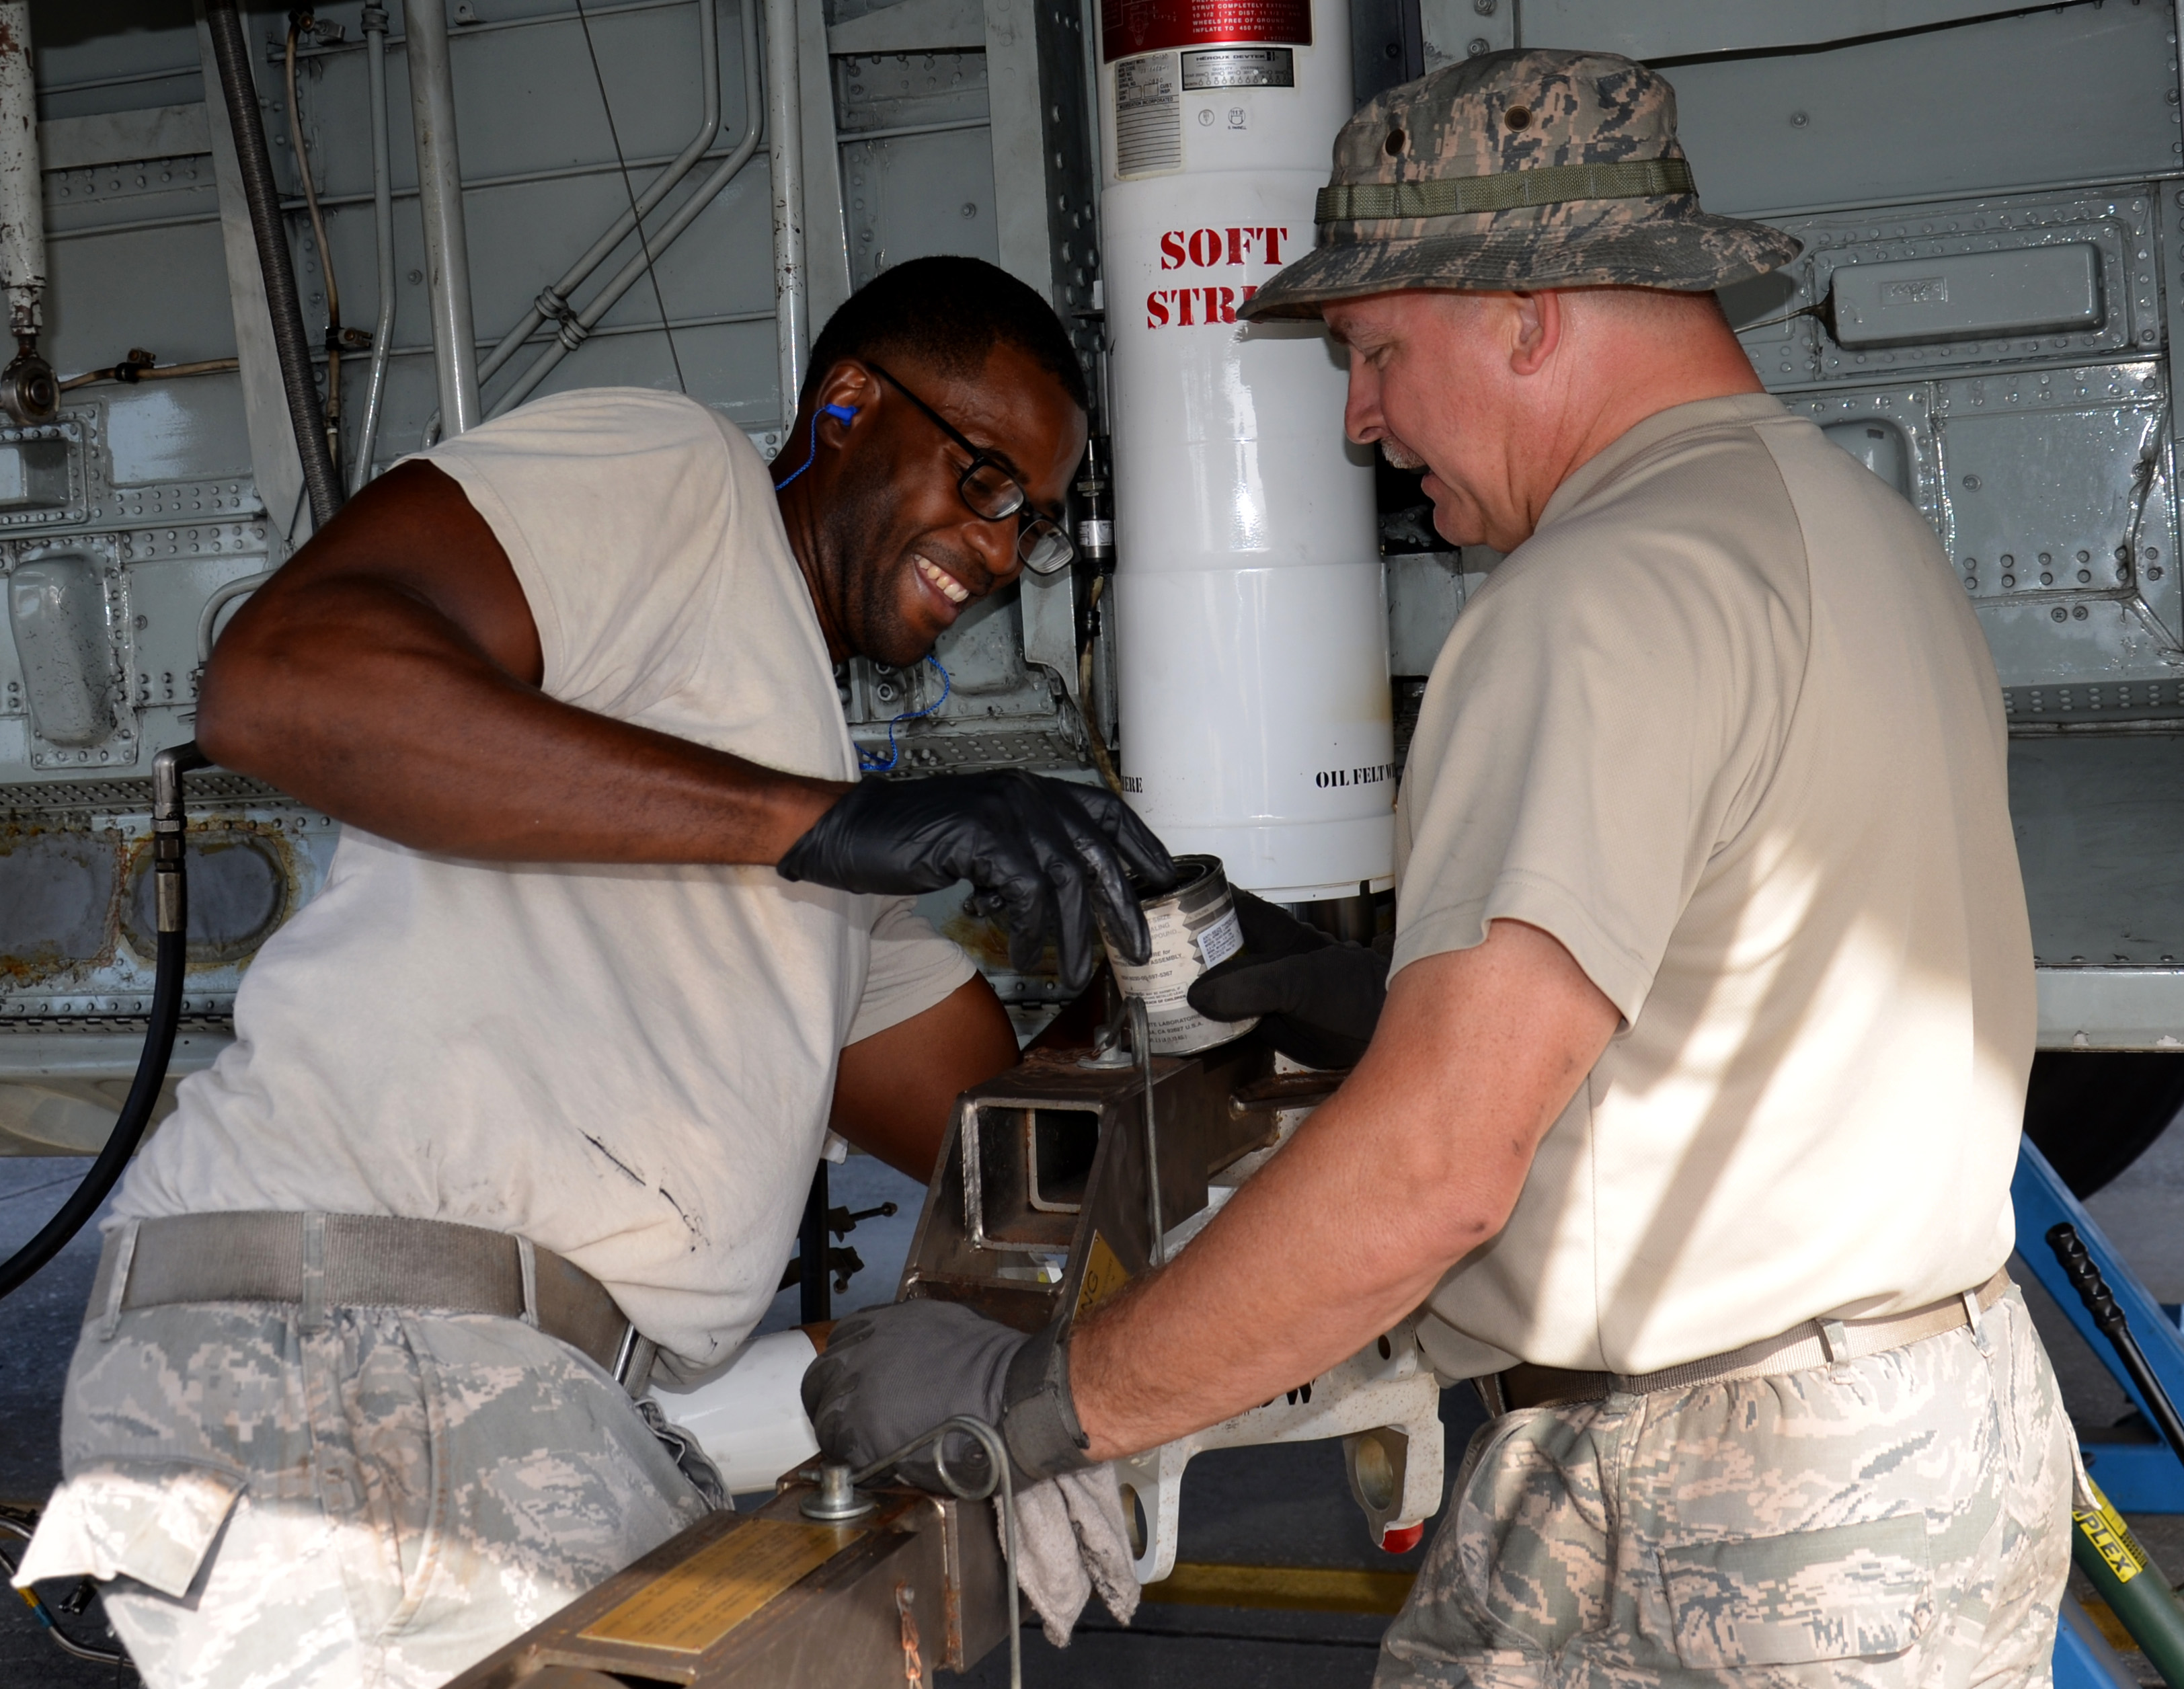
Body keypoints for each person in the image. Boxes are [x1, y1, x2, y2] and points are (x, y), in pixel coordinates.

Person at [803, 52, 2074, 1686]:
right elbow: (1732, 973)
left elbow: (1434, 1172)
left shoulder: (1590, 599)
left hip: (1718, 1506)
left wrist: (1032, 1401)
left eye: (1374, 350)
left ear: (1527, 310)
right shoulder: (1852, 530)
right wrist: (1393, 995)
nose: (1359, 418)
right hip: (1917, 1432)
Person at [13, 255, 1172, 1688]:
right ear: (849, 406)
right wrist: (826, 826)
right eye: (986, 481)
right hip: (351, 1361)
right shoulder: (684, 487)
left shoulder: (802, 837)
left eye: (1036, 525)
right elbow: (282, 678)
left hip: (533, 1406)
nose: (1002, 553)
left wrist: (1179, 976)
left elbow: (1003, 1147)